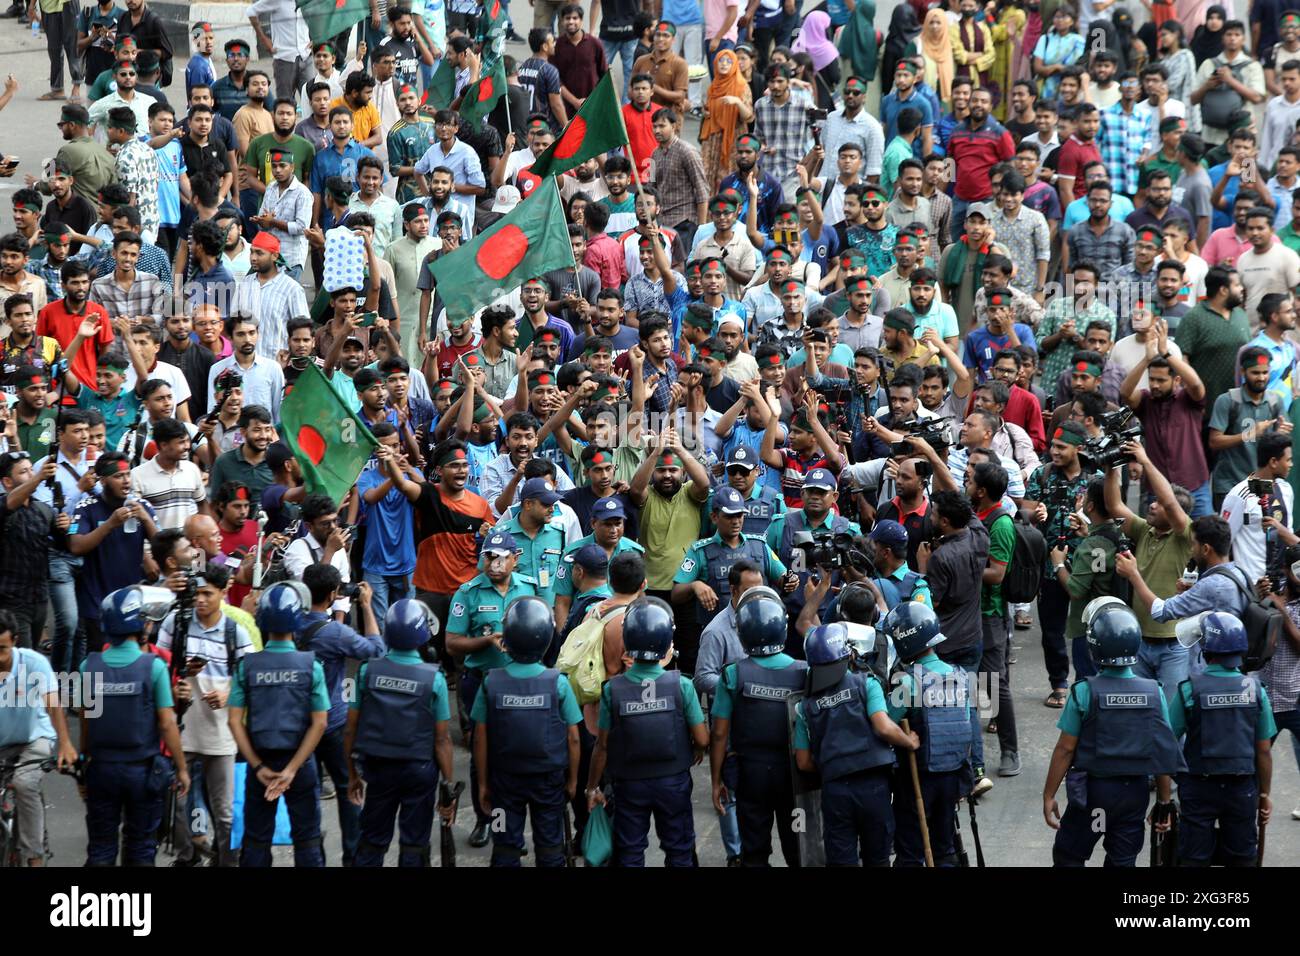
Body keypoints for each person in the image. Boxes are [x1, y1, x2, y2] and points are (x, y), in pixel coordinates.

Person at [1042, 599, 1185, 866]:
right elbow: (1163, 751)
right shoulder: (1154, 693)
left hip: (1094, 794)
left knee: (1069, 855)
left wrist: (1048, 795)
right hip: (1134, 795)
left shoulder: (1084, 691)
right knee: (1122, 860)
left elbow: (1065, 749)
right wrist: (1164, 801)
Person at [586, 597, 709, 867]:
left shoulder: (612, 690)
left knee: (629, 852)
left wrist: (592, 786)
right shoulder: (682, 685)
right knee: (679, 849)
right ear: (668, 642)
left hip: (629, 784)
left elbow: (602, 746)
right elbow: (702, 738)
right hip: (673, 782)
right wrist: (697, 748)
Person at [80, 585, 189, 866]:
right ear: (139, 624)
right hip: (143, 771)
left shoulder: (87, 666)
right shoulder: (153, 667)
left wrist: (84, 762)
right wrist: (181, 768)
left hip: (101, 769)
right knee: (141, 847)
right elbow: (167, 723)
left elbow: (85, 718)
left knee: (101, 848)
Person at [471, 595, 582, 867]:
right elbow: (574, 738)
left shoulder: (490, 683)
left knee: (504, 847)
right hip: (548, 781)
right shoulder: (558, 683)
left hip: (503, 781)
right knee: (550, 848)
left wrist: (484, 785)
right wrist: (572, 781)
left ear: (506, 640)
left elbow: (480, 740)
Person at [344, 598, 454, 868]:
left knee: (371, 840)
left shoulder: (367, 671)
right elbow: (442, 740)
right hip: (419, 769)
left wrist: (352, 774)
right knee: (414, 845)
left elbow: (350, 729)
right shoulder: (434, 679)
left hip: (378, 768)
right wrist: (448, 785)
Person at [1165, 611, 1276, 865]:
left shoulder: (1190, 688)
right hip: (1241, 790)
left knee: (1194, 858)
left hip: (1198, 787)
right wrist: (1263, 794)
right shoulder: (1255, 690)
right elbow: (1264, 751)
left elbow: (1168, 740)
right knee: (1241, 858)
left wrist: (1174, 784)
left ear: (1207, 649)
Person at [876, 601, 969, 866]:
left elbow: (886, 724)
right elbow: (967, 726)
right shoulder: (960, 676)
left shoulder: (908, 681)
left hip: (917, 779)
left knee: (911, 848)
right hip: (953, 776)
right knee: (944, 845)